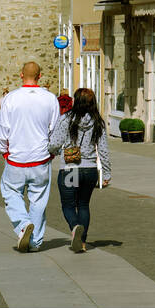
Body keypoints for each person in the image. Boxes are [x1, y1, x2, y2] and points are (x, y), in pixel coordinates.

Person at [0, 61, 59, 253]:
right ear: (40, 76)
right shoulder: (50, 99)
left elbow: (2, 129)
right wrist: (52, 152)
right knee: (38, 200)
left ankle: (23, 225)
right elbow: (55, 130)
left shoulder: (11, 99)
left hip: (16, 156)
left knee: (10, 192)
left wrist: (4, 151)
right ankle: (35, 241)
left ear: (21, 75)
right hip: (40, 157)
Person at [49, 87, 111, 252]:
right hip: (90, 170)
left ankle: (75, 227)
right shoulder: (98, 122)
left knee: (68, 205)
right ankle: (82, 242)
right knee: (83, 204)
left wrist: (53, 152)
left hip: (71, 169)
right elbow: (103, 150)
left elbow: (55, 143)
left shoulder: (66, 119)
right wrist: (106, 173)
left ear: (75, 101)